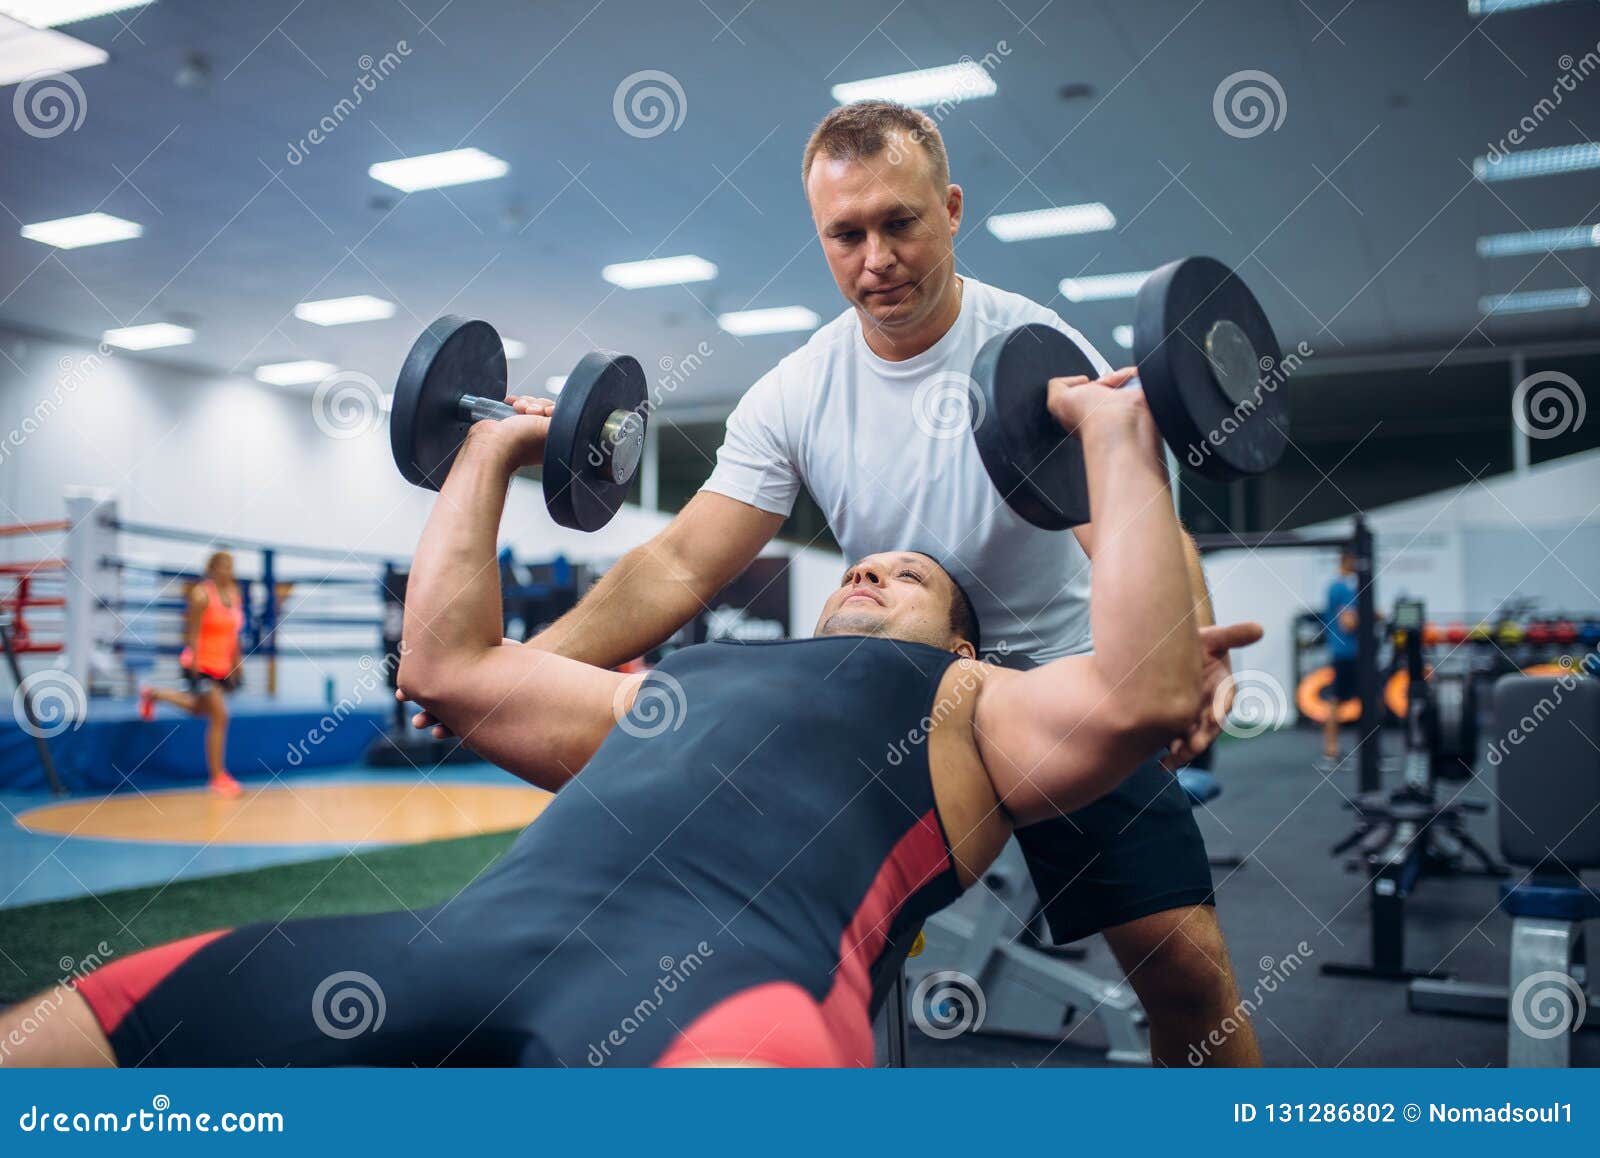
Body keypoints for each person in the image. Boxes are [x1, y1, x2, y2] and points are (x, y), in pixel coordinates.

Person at [1, 368, 1260, 1068]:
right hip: (455, 941)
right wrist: (489, 451)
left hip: (726, 997)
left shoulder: (975, 704)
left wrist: (1115, 425)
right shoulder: (673, 687)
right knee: (60, 1040)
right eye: (856, 568)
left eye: (909, 575)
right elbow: (446, 668)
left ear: (968, 638)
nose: (869, 570)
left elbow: (1143, 688)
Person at [496, 100, 1261, 1064]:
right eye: (846, 234)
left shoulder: (1032, 349)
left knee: (1188, 978)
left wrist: (1180, 653)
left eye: (899, 223)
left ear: (949, 209)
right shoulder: (797, 390)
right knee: (803, 985)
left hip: (1063, 692)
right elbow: (682, 560)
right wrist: (523, 668)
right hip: (892, 716)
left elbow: (1131, 523)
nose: (876, 259)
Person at [137, 550, 245, 797]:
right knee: (220, 716)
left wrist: (237, 664)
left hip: (222, 666)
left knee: (198, 709)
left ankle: (153, 694)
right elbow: (192, 633)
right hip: (200, 665)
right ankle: (218, 776)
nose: (226, 571)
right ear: (212, 569)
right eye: (221, 566)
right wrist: (194, 667)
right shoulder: (201, 595)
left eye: (229, 566)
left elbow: (234, 633)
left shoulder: (234, 594)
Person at [1321, 549, 1360, 764]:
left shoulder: (1337, 586)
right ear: (1349, 559)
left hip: (1345, 652)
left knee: (1367, 699)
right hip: (1348, 653)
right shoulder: (1343, 588)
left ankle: (1332, 750)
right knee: (1337, 701)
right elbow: (1349, 623)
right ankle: (1331, 750)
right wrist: (1372, 616)